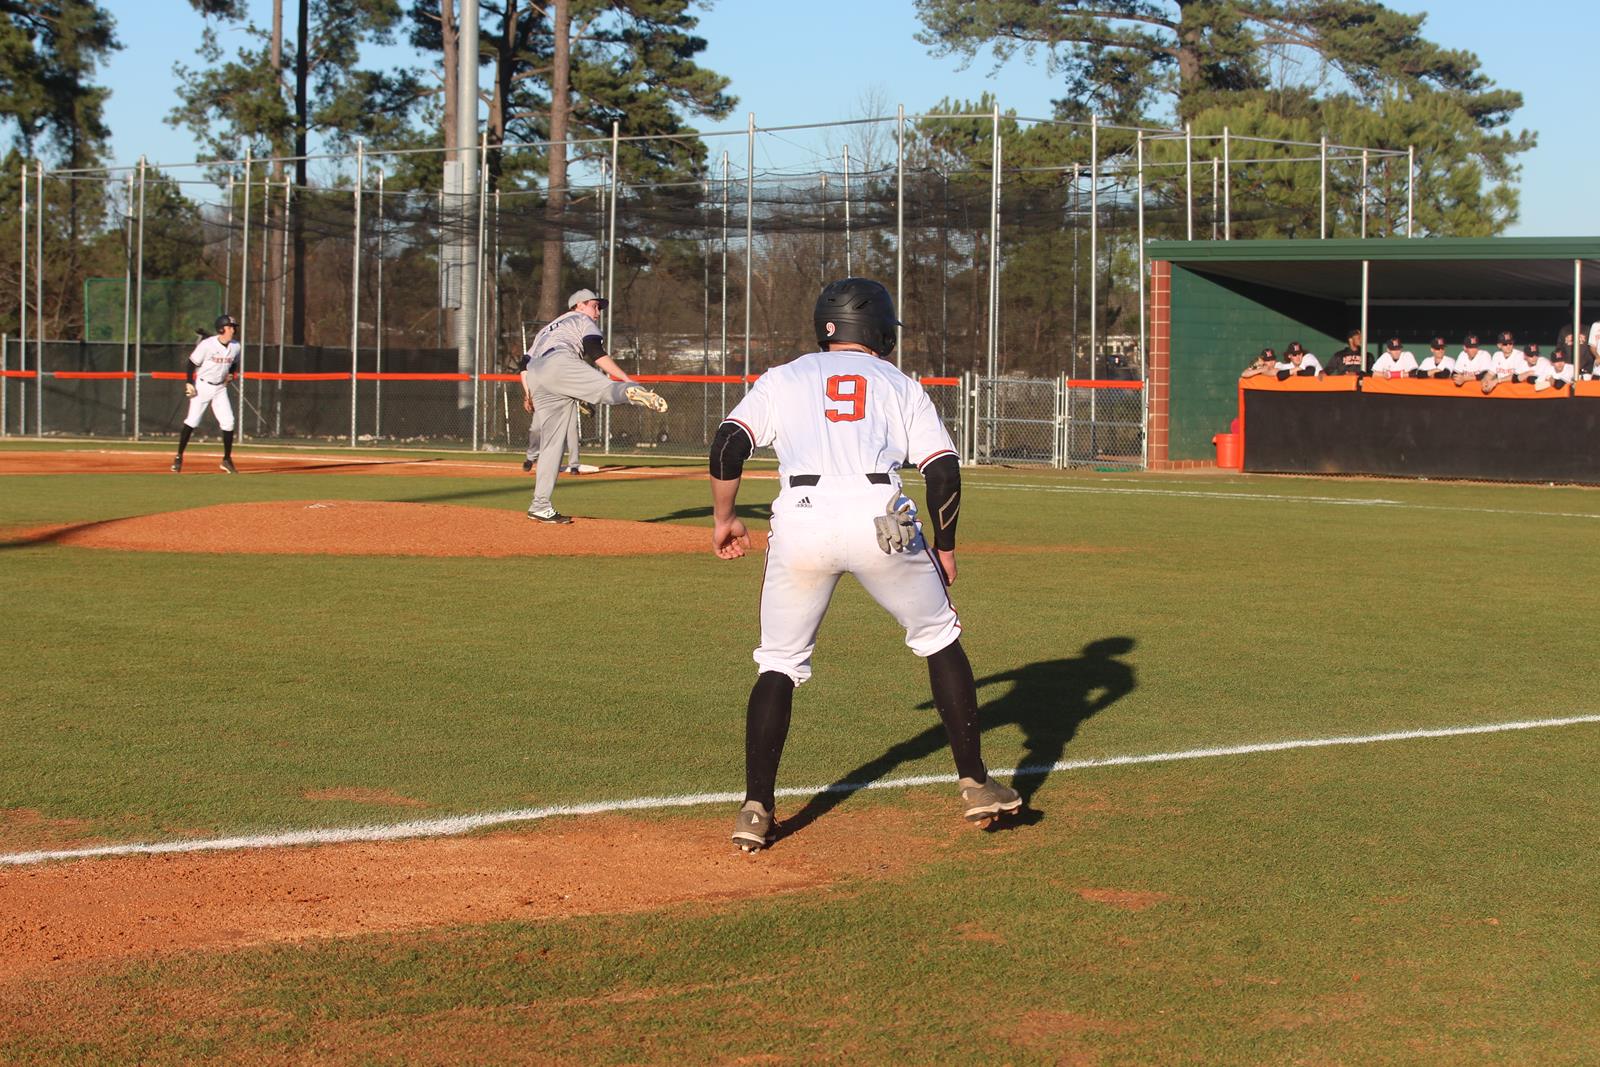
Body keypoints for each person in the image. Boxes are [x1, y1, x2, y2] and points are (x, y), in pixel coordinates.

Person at [708, 277, 1021, 853]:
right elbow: (943, 470)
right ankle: (975, 782)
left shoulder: (782, 378)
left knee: (779, 662)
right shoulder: (899, 383)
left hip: (802, 518)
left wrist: (725, 518)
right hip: (881, 518)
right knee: (937, 637)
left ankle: (756, 809)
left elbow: (728, 444)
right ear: (879, 329)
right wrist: (945, 546)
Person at [522, 288, 668, 523]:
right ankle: (631, 392)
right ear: (578, 305)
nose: (597, 311)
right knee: (604, 390)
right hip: (559, 362)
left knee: (552, 445)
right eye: (594, 305)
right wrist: (627, 379)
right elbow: (594, 351)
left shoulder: (546, 329)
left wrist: (528, 392)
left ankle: (540, 505)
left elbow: (524, 362)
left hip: (536, 374)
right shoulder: (581, 319)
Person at [171, 314, 242, 474]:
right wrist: (189, 382)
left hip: (219, 389)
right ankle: (179, 457)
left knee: (228, 421)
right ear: (221, 329)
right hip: (202, 387)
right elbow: (192, 363)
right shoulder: (207, 345)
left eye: (233, 327)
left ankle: (227, 459)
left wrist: (231, 373)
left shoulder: (236, 346)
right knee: (192, 421)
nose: (233, 330)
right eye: (230, 327)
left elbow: (234, 362)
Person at [517, 352, 583, 475]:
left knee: (571, 430)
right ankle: (531, 457)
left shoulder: (567, 353)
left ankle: (574, 465)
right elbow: (524, 368)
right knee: (536, 428)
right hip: (544, 396)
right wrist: (528, 396)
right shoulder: (538, 353)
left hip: (566, 396)